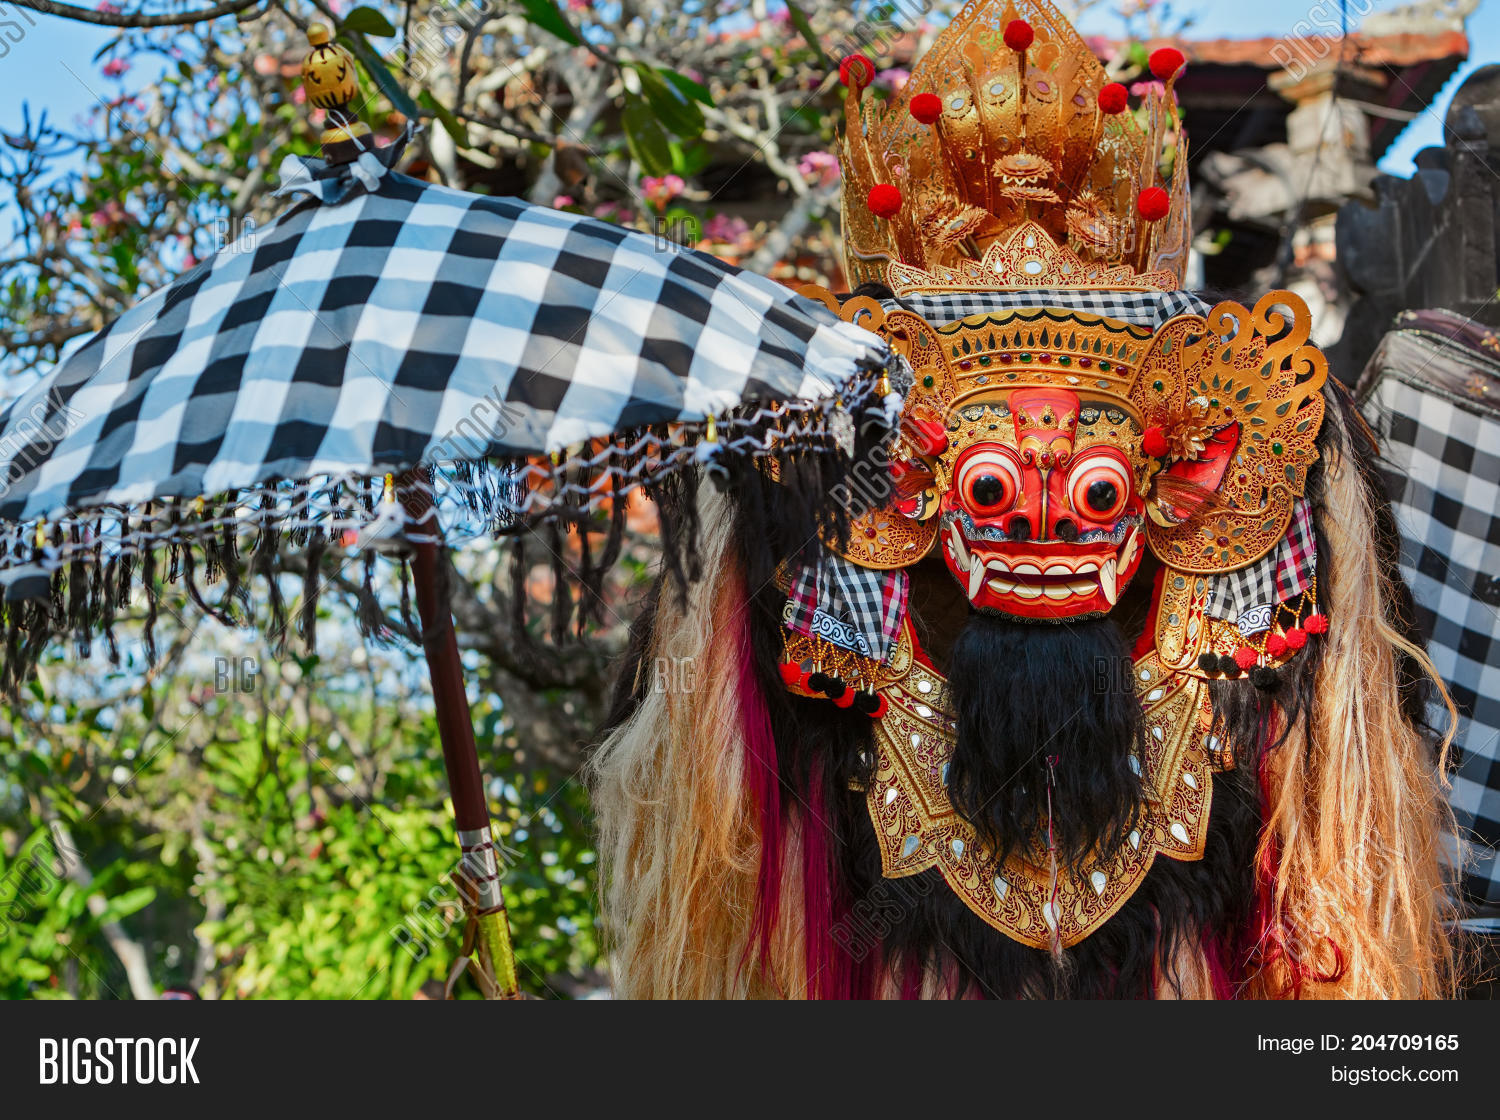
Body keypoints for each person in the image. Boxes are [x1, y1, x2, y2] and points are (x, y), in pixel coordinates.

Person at [591, 0, 1458, 998]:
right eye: (996, 485)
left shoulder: (1286, 490)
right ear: (904, 484)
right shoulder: (809, 483)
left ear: (1193, 476)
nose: (1040, 525)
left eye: (1086, 493)